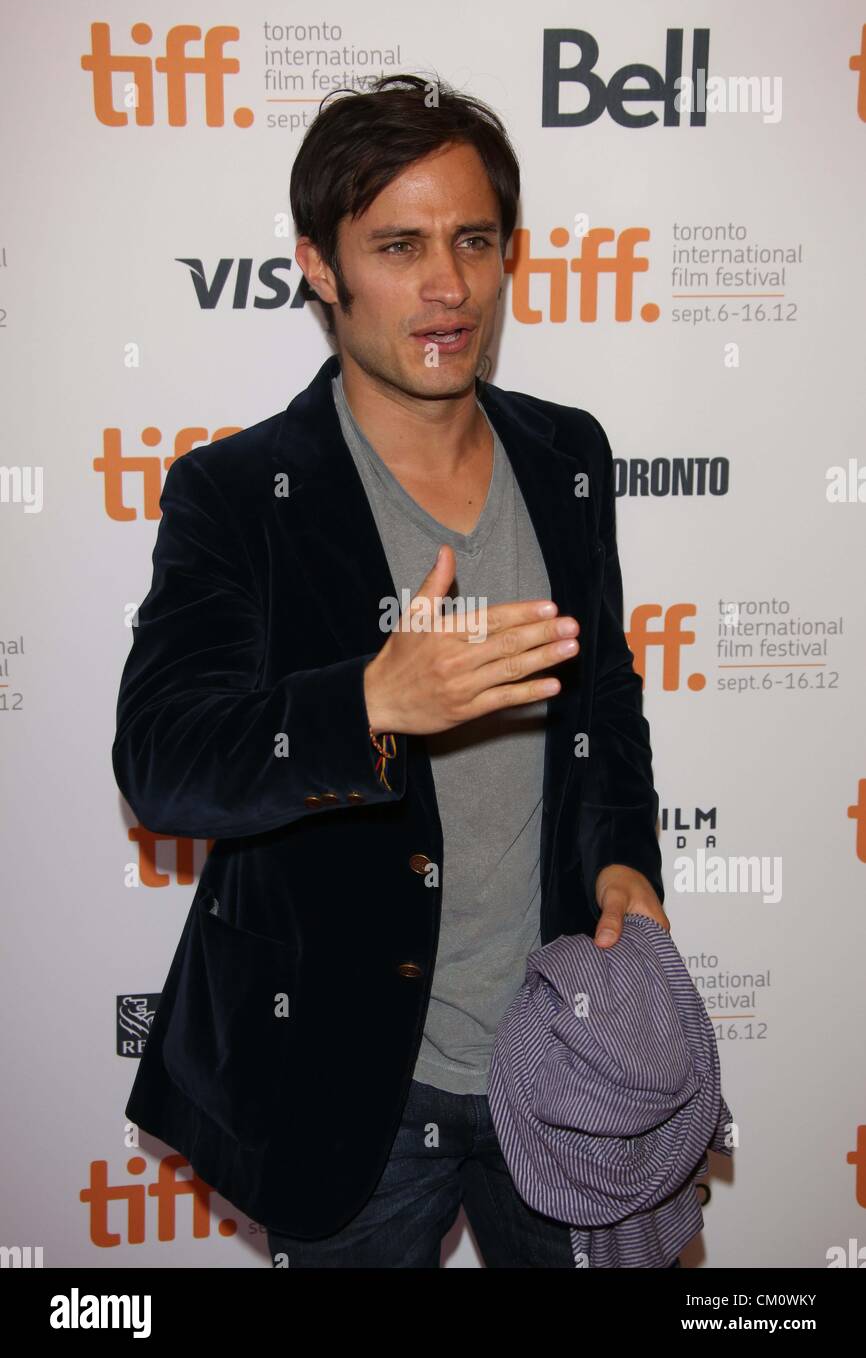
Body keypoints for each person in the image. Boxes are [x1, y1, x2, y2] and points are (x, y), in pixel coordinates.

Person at [113, 72, 672, 1268]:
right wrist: (369, 702)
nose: (447, 287)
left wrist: (624, 857)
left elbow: (605, 701)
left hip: (557, 1056)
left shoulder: (566, 454)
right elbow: (162, 763)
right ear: (319, 265)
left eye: (473, 241)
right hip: (348, 1084)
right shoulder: (237, 493)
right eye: (399, 244)